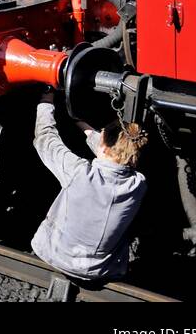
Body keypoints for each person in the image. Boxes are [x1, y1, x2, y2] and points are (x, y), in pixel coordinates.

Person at [31, 91, 148, 281]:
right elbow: (117, 158)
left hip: (54, 254)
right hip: (101, 270)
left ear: (103, 146)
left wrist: (46, 101)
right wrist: (80, 123)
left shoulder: (79, 172)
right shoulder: (137, 185)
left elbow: (45, 138)